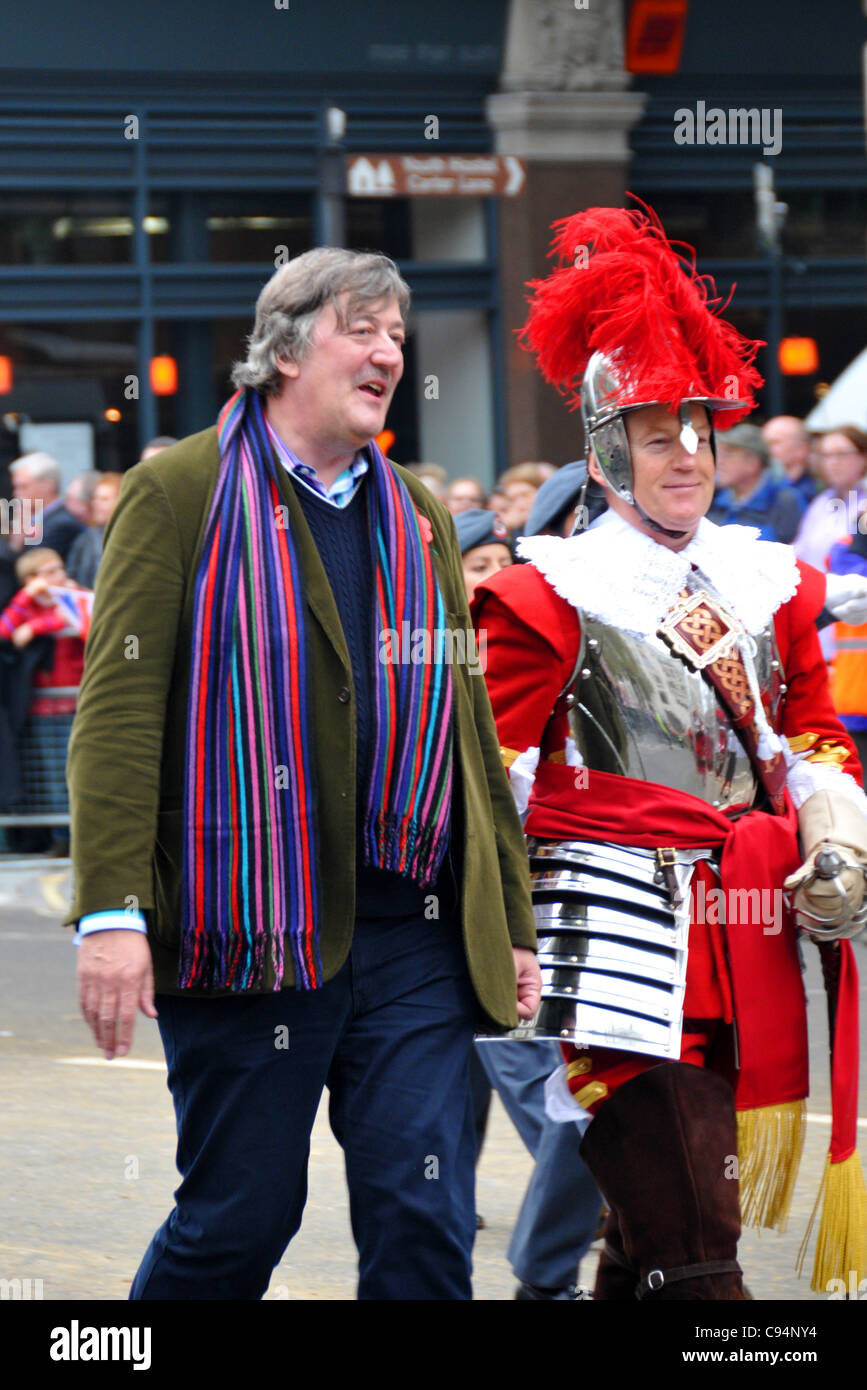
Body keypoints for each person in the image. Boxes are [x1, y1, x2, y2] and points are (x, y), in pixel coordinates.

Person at [64, 247, 540, 1302]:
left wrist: (509, 914)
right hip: (250, 927)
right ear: (283, 349)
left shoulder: (417, 512)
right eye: (361, 330)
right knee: (240, 1219)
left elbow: (466, 725)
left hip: (411, 933)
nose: (388, 353)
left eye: (399, 335)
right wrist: (109, 910)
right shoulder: (177, 490)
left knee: (424, 1212)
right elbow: (120, 715)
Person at [472, 202, 866, 1301]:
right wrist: (501, 938)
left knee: (645, 1249)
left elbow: (811, 733)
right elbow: (491, 784)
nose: (686, 455)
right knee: (698, 1249)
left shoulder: (768, 581)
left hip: (744, 939)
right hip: (609, 950)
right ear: (606, 454)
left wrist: (834, 828)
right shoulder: (547, 594)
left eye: (698, 430)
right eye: (657, 435)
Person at [794, 426, 867, 660]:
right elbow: (800, 553)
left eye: (841, 454)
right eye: (825, 455)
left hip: (854, 624)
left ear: (863, 457)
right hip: (817, 618)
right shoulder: (821, 503)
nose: (832, 463)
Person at [709, 422, 804, 542]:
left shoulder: (785, 500)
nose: (719, 462)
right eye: (719, 454)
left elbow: (795, 551)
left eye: (729, 454)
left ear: (752, 463)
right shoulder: (715, 498)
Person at [8, 453, 85, 562]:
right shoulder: (36, 519)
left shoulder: (61, 523)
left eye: (24, 487)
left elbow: (31, 566)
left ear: (48, 485)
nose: (17, 493)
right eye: (16, 487)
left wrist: (16, 543)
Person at [66, 472, 124, 590]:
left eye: (104, 499)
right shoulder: (84, 539)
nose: (96, 504)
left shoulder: (135, 538)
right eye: (95, 498)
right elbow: (72, 575)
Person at [762, 415, 818, 506]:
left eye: (774, 443)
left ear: (801, 448)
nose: (765, 449)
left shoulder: (816, 493)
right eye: (763, 443)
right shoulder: (760, 488)